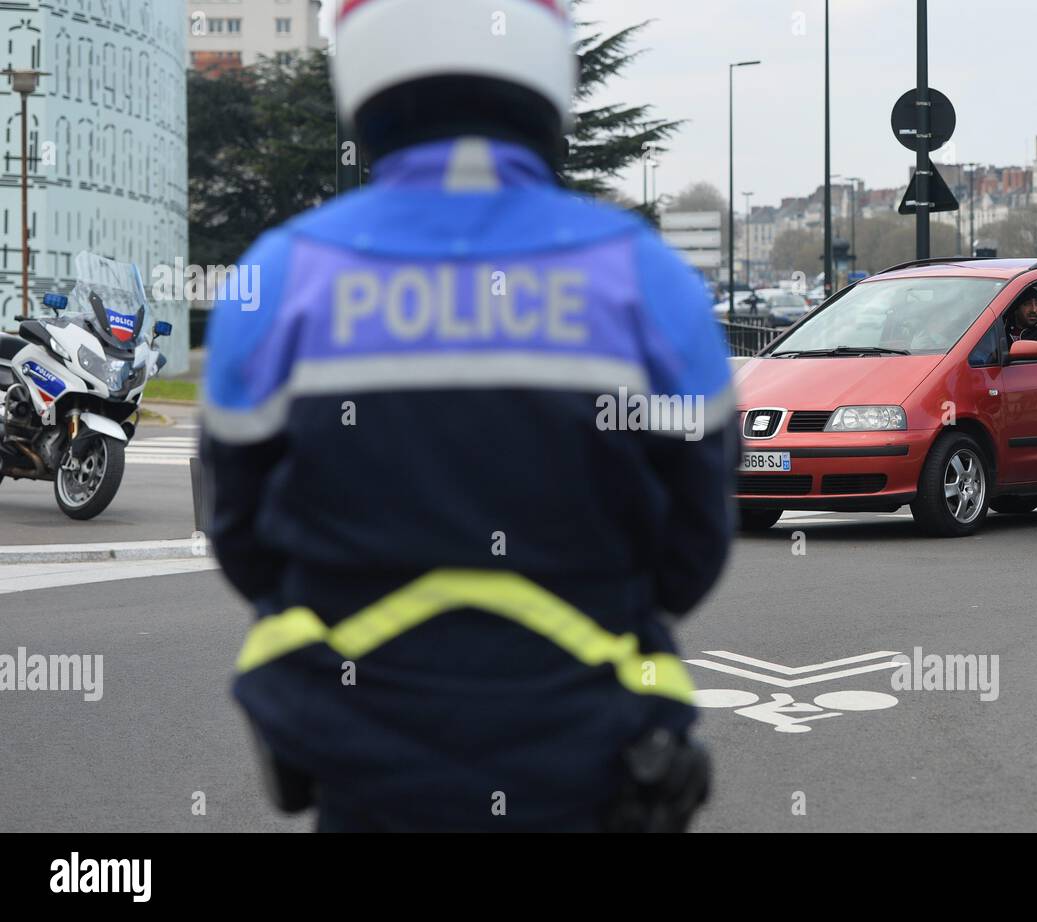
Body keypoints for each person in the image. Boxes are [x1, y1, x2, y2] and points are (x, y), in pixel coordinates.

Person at [200, 0, 736, 832]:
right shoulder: (645, 277)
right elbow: (694, 543)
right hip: (593, 759)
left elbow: (240, 536)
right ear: (547, 63)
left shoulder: (278, 277)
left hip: (361, 760)